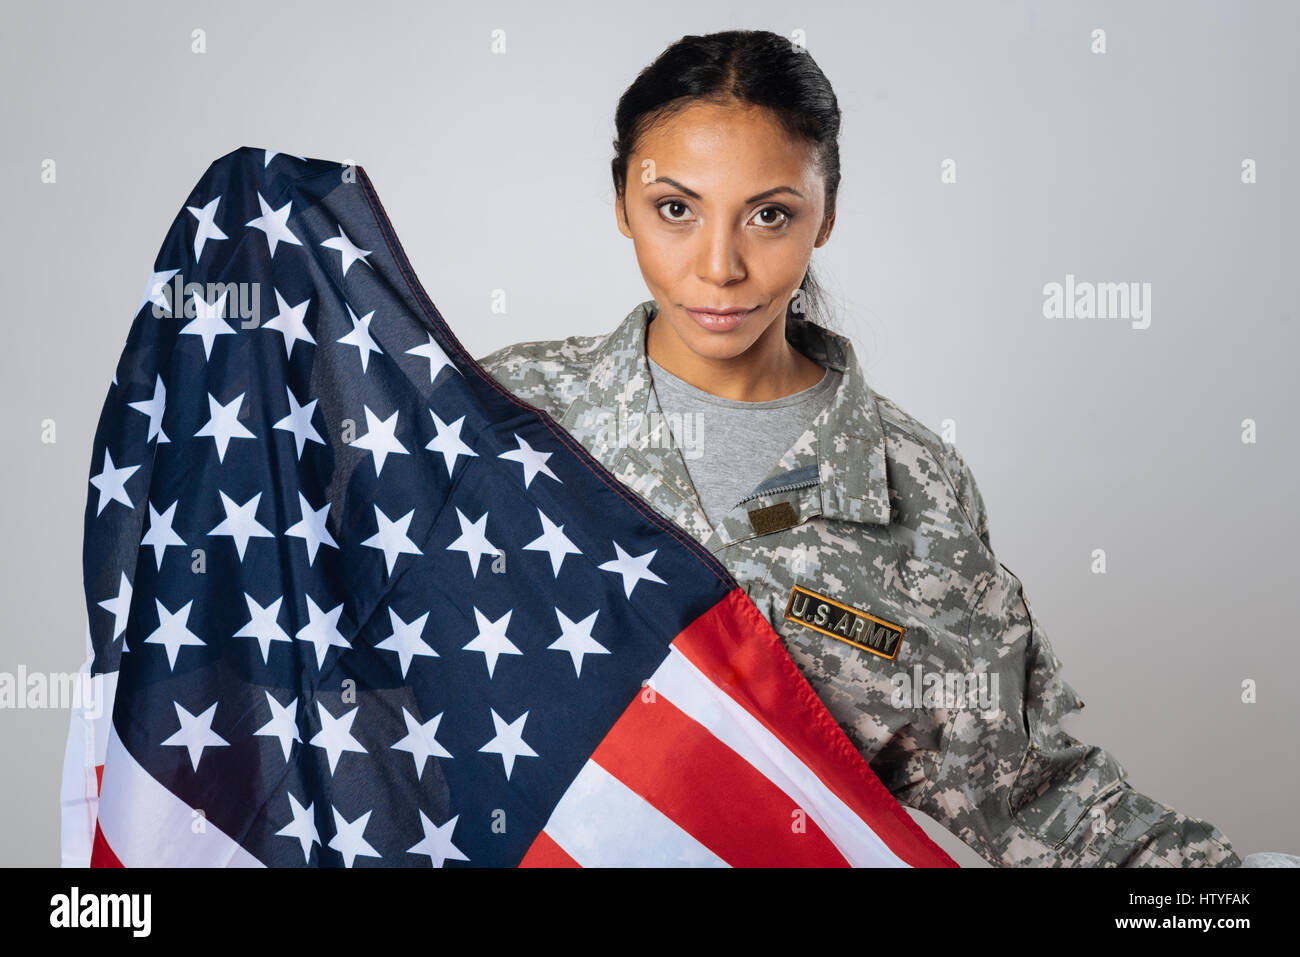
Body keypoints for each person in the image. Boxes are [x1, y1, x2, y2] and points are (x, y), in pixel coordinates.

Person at [477, 29, 1260, 867]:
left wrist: (1218, 898)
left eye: (770, 215)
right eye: (676, 208)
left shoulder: (914, 483)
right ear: (623, 202)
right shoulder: (505, 415)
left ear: (828, 215)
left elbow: (1031, 796)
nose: (719, 265)